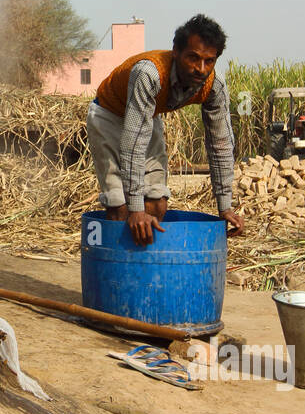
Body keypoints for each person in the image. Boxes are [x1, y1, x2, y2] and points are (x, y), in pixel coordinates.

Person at [86, 14, 244, 246]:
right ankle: (121, 274)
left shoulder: (214, 86)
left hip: (146, 118)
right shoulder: (149, 74)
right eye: (193, 58)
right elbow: (133, 144)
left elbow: (220, 143)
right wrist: (135, 209)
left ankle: (148, 274)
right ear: (176, 52)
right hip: (109, 116)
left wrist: (225, 206)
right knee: (120, 206)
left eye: (209, 61)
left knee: (157, 202)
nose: (201, 69)